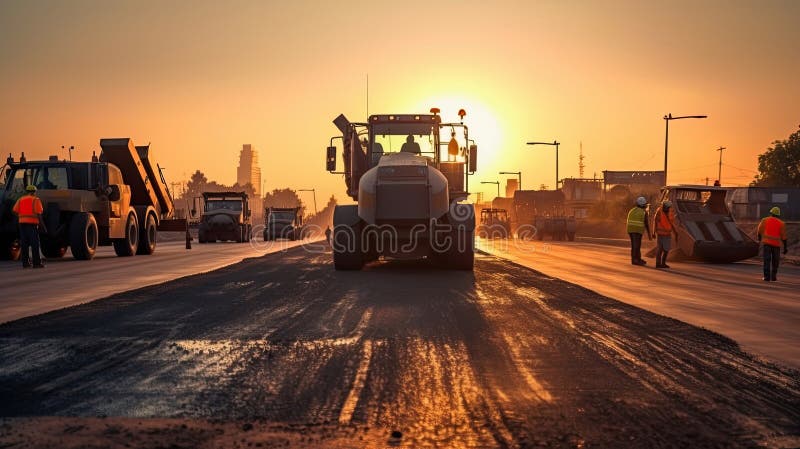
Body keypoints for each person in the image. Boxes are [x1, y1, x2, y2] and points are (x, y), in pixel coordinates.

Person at [12, 185, 45, 268]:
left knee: (24, 244)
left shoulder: (20, 199)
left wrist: (20, 218)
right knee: (35, 244)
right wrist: (43, 226)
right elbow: (39, 214)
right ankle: (37, 263)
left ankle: (25, 263)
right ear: (34, 192)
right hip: (32, 225)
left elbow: (14, 210)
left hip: (22, 224)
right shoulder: (36, 200)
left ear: (26, 191)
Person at [757, 206, 788, 281]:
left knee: (767, 260)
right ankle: (773, 277)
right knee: (775, 261)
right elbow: (784, 237)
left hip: (767, 244)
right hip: (776, 245)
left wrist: (759, 239)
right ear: (778, 215)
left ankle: (766, 277)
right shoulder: (782, 223)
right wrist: (785, 248)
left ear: (771, 213)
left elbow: (759, 230)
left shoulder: (765, 220)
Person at [626, 196, 651, 266]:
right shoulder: (644, 212)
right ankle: (635, 260)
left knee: (635, 245)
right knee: (636, 245)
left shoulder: (632, 210)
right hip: (637, 230)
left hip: (630, 230)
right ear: (643, 205)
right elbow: (646, 224)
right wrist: (649, 234)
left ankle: (637, 259)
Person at [652, 200, 675, 268]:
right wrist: (653, 232)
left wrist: (675, 232)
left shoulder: (670, 211)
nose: (667, 208)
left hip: (668, 234)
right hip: (660, 233)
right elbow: (655, 221)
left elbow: (672, 223)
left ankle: (663, 263)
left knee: (666, 249)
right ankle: (658, 263)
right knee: (660, 249)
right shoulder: (659, 211)